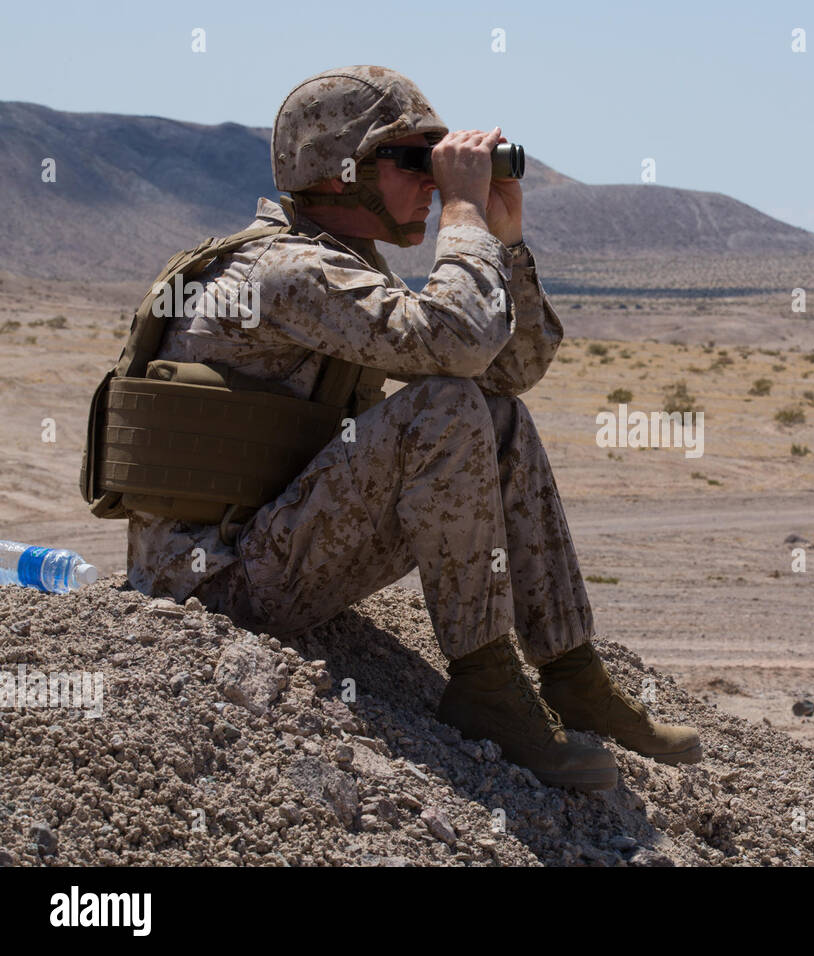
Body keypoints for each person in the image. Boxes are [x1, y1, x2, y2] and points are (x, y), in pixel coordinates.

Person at [125, 65, 701, 790]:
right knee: (444, 408)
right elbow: (457, 345)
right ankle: (486, 686)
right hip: (213, 585)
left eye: (437, 164)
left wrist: (504, 242)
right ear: (339, 172)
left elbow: (508, 371)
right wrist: (462, 220)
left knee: (496, 416)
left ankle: (571, 673)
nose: (433, 183)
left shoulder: (342, 265)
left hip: (272, 550)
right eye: (412, 161)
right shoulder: (284, 273)